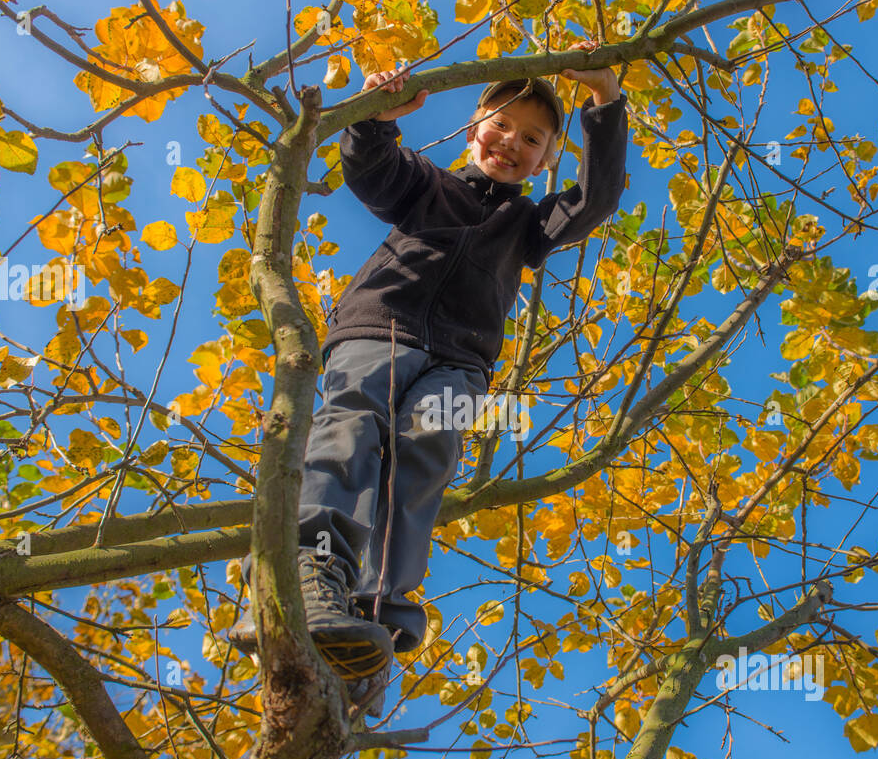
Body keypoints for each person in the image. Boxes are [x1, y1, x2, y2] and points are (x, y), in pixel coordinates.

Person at [230, 43, 627, 714]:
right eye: (501, 124)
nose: (512, 142)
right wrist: (380, 114)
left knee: (424, 456)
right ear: (474, 127)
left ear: (547, 159)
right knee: (352, 427)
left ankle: (375, 618)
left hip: (461, 360)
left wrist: (606, 102)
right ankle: (310, 568)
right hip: (379, 328)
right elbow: (370, 166)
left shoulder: (527, 226)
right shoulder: (426, 186)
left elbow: (597, 198)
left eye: (533, 139)